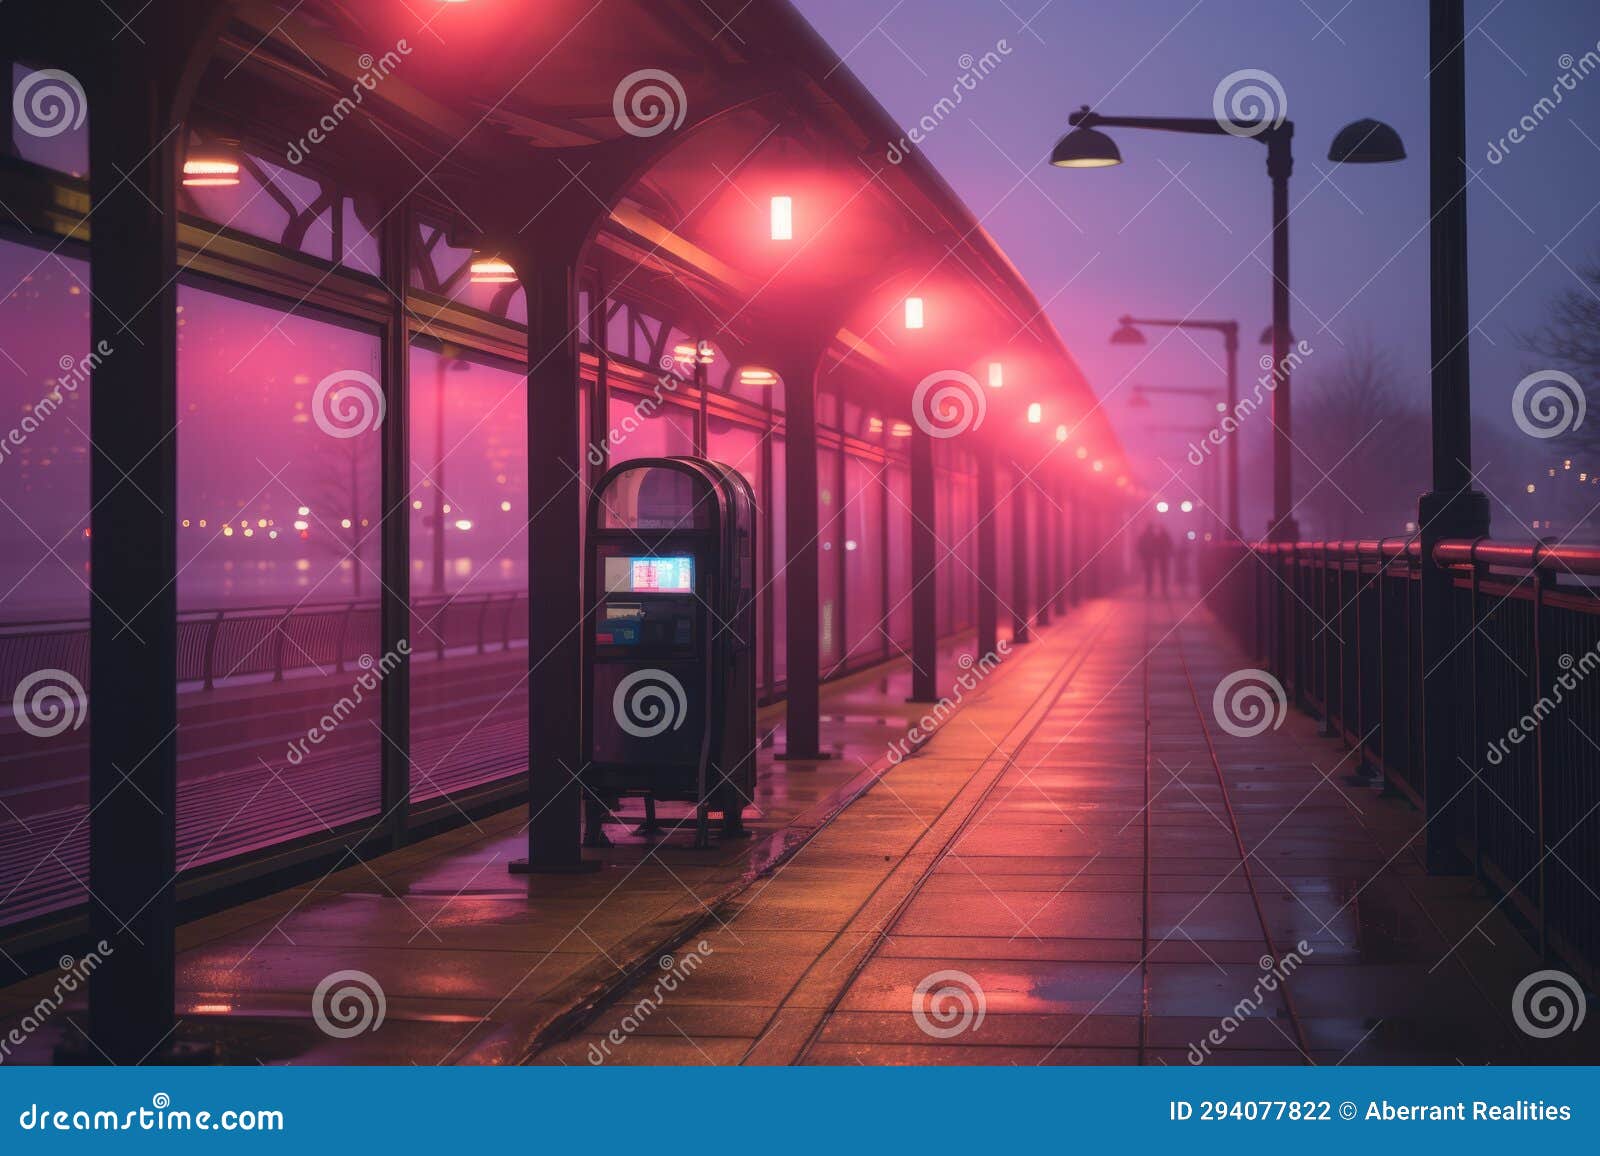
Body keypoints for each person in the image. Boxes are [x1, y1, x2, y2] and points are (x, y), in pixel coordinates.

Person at [1137, 522, 1173, 597]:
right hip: (1160, 557)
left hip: (1149, 557)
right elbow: (1169, 546)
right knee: (1162, 573)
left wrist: (1142, 555)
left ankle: (1149, 589)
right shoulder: (1161, 536)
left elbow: (1139, 546)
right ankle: (1163, 589)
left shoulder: (1146, 536)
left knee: (1149, 574)